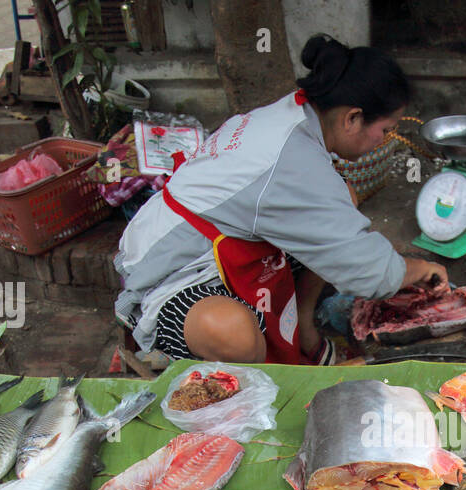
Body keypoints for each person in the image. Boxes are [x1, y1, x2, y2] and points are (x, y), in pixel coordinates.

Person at [114, 34, 448, 365]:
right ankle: (263, 385)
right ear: (352, 118)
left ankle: (302, 325)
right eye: (386, 130)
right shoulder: (294, 159)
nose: (384, 140)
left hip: (226, 243)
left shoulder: (299, 113)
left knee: (341, 200)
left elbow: (340, 232)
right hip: (171, 272)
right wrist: (418, 269)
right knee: (235, 335)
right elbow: (369, 273)